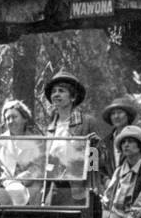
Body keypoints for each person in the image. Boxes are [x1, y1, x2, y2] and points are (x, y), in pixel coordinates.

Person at [42, 70, 102, 202]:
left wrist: (93, 185)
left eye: (61, 91)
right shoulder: (50, 128)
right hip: (55, 187)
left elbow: (94, 158)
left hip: (79, 188)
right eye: (54, 91)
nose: (56, 94)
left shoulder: (87, 122)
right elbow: (48, 160)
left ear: (73, 97)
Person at [0, 99, 44, 203]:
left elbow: (39, 168)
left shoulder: (37, 140)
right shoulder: (0, 141)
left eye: (14, 117)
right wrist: (6, 181)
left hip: (31, 187)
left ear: (25, 118)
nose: (11, 121)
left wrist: (20, 180)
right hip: (6, 187)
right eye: (7, 118)